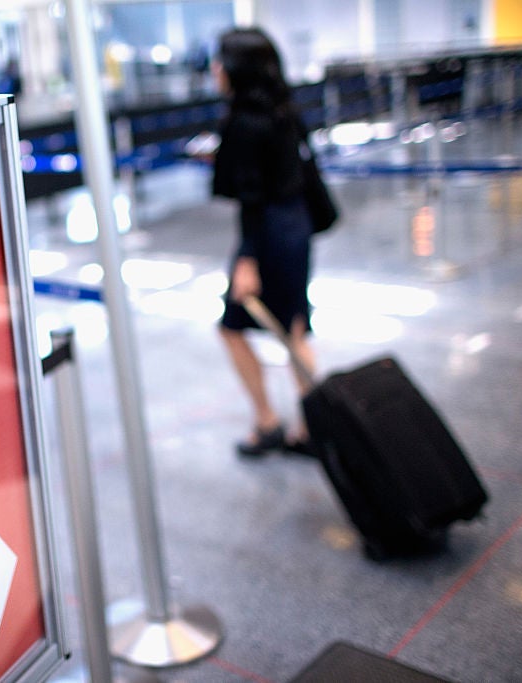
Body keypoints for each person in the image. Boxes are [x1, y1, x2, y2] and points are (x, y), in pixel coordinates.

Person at [210, 27, 316, 457]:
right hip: (296, 226)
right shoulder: (285, 110)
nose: (215, 69)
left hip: (268, 236)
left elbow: (252, 198)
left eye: (221, 60)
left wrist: (247, 259)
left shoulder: (242, 121)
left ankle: (267, 421)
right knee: (293, 329)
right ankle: (312, 426)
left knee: (232, 329)